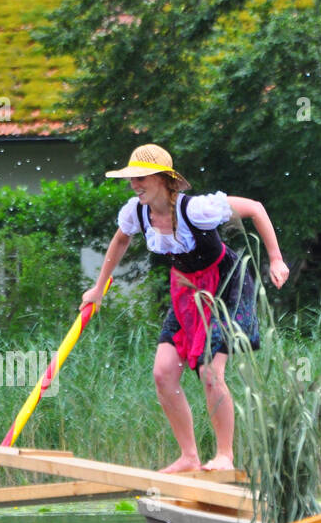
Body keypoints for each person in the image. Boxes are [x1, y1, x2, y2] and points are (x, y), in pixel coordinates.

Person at [82, 144, 289, 473]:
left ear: (164, 179)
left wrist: (276, 259)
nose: (135, 185)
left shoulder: (197, 209)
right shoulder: (136, 212)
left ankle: (224, 456)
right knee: (163, 374)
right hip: (187, 291)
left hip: (226, 286)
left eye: (142, 178)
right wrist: (98, 288)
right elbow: (121, 240)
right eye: (131, 179)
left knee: (210, 372)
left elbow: (255, 208)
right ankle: (189, 456)